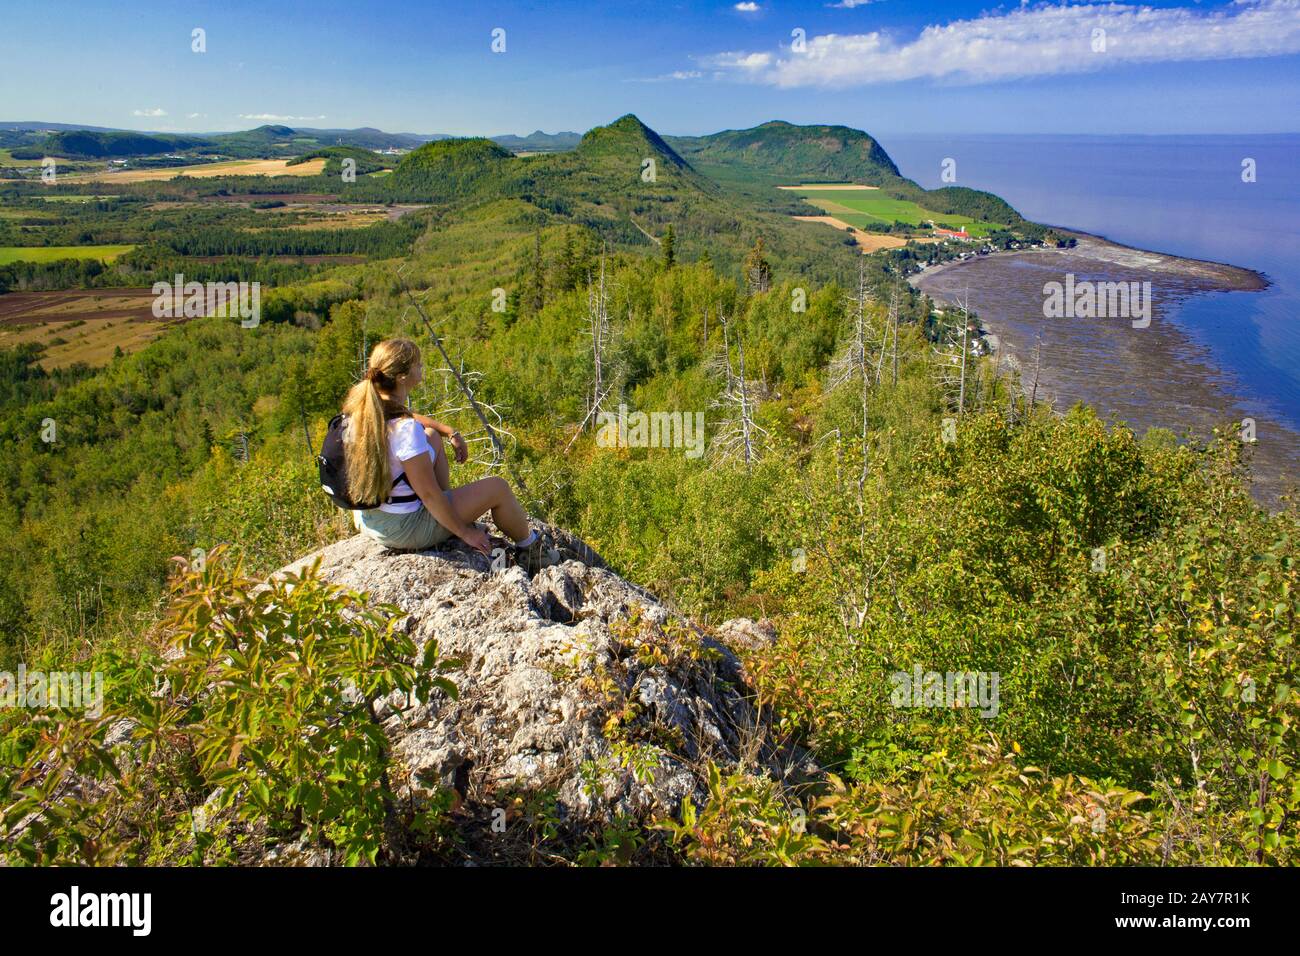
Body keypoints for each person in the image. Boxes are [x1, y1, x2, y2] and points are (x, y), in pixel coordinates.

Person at [340, 337, 558, 575]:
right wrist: (466, 533)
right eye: (418, 364)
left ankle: (449, 512)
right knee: (498, 488)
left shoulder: (360, 412)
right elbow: (429, 495)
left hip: (369, 519)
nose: (422, 368)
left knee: (431, 435)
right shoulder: (404, 430)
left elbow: (407, 415)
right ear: (402, 377)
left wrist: (447, 431)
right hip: (403, 528)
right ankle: (534, 552)